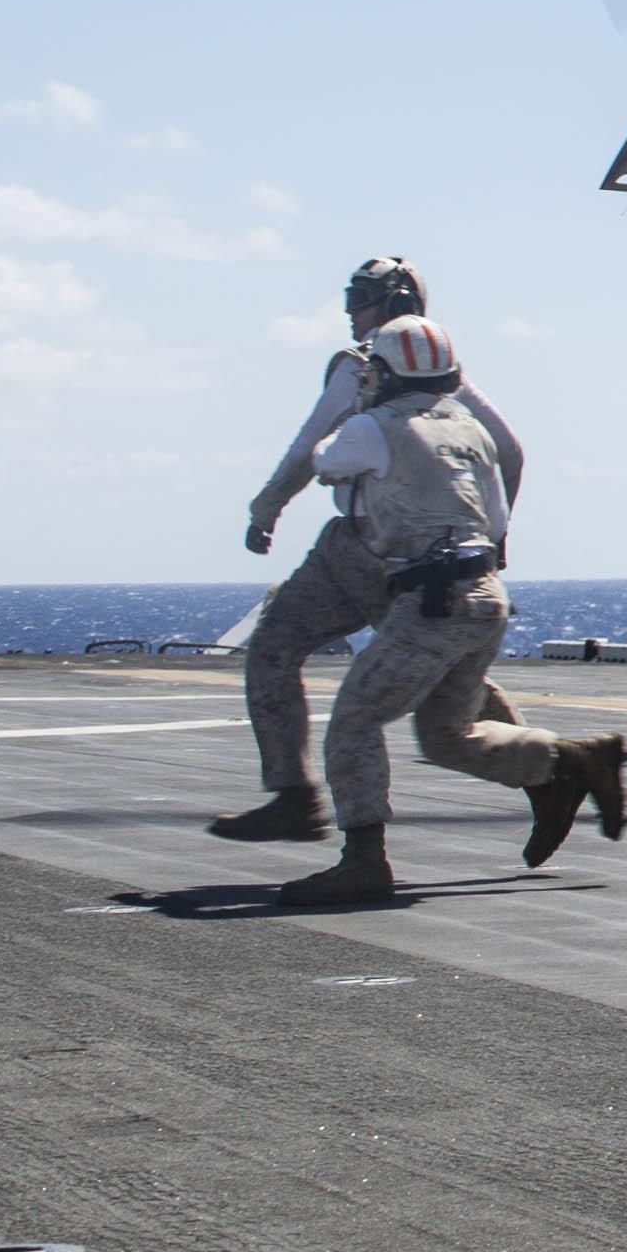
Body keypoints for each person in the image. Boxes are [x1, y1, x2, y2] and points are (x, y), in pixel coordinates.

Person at [271, 315, 627, 907]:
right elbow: (496, 521)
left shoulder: (375, 426)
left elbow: (327, 461)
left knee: (355, 721)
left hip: (431, 599)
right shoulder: (470, 430)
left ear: (382, 374)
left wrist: (358, 404)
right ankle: (571, 760)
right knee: (446, 736)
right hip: (485, 596)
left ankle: (363, 860)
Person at [210, 258, 524, 843]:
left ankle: (296, 798)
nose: (352, 310)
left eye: (360, 296)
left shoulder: (364, 369)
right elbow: (509, 449)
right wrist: (492, 538)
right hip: (433, 556)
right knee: (451, 676)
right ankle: (554, 772)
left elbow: (312, 446)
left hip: (363, 549)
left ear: (393, 300)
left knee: (276, 647)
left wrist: (265, 509)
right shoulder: (449, 377)